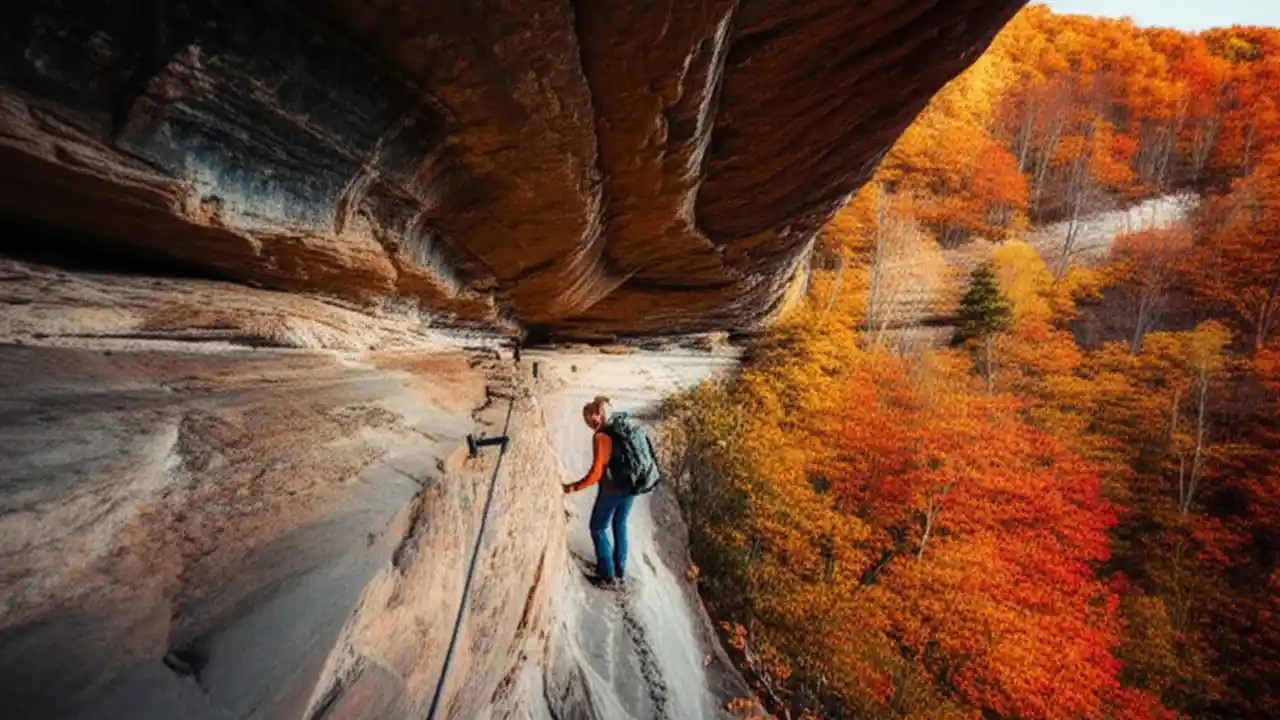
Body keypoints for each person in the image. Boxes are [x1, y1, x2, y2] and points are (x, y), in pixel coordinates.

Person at [562, 395, 634, 586]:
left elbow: (596, 473)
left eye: (586, 417)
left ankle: (607, 576)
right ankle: (619, 571)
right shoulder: (617, 430)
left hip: (612, 489)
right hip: (631, 485)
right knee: (620, 525)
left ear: (596, 416)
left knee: (598, 528)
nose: (586, 422)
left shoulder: (601, 437)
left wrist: (573, 487)